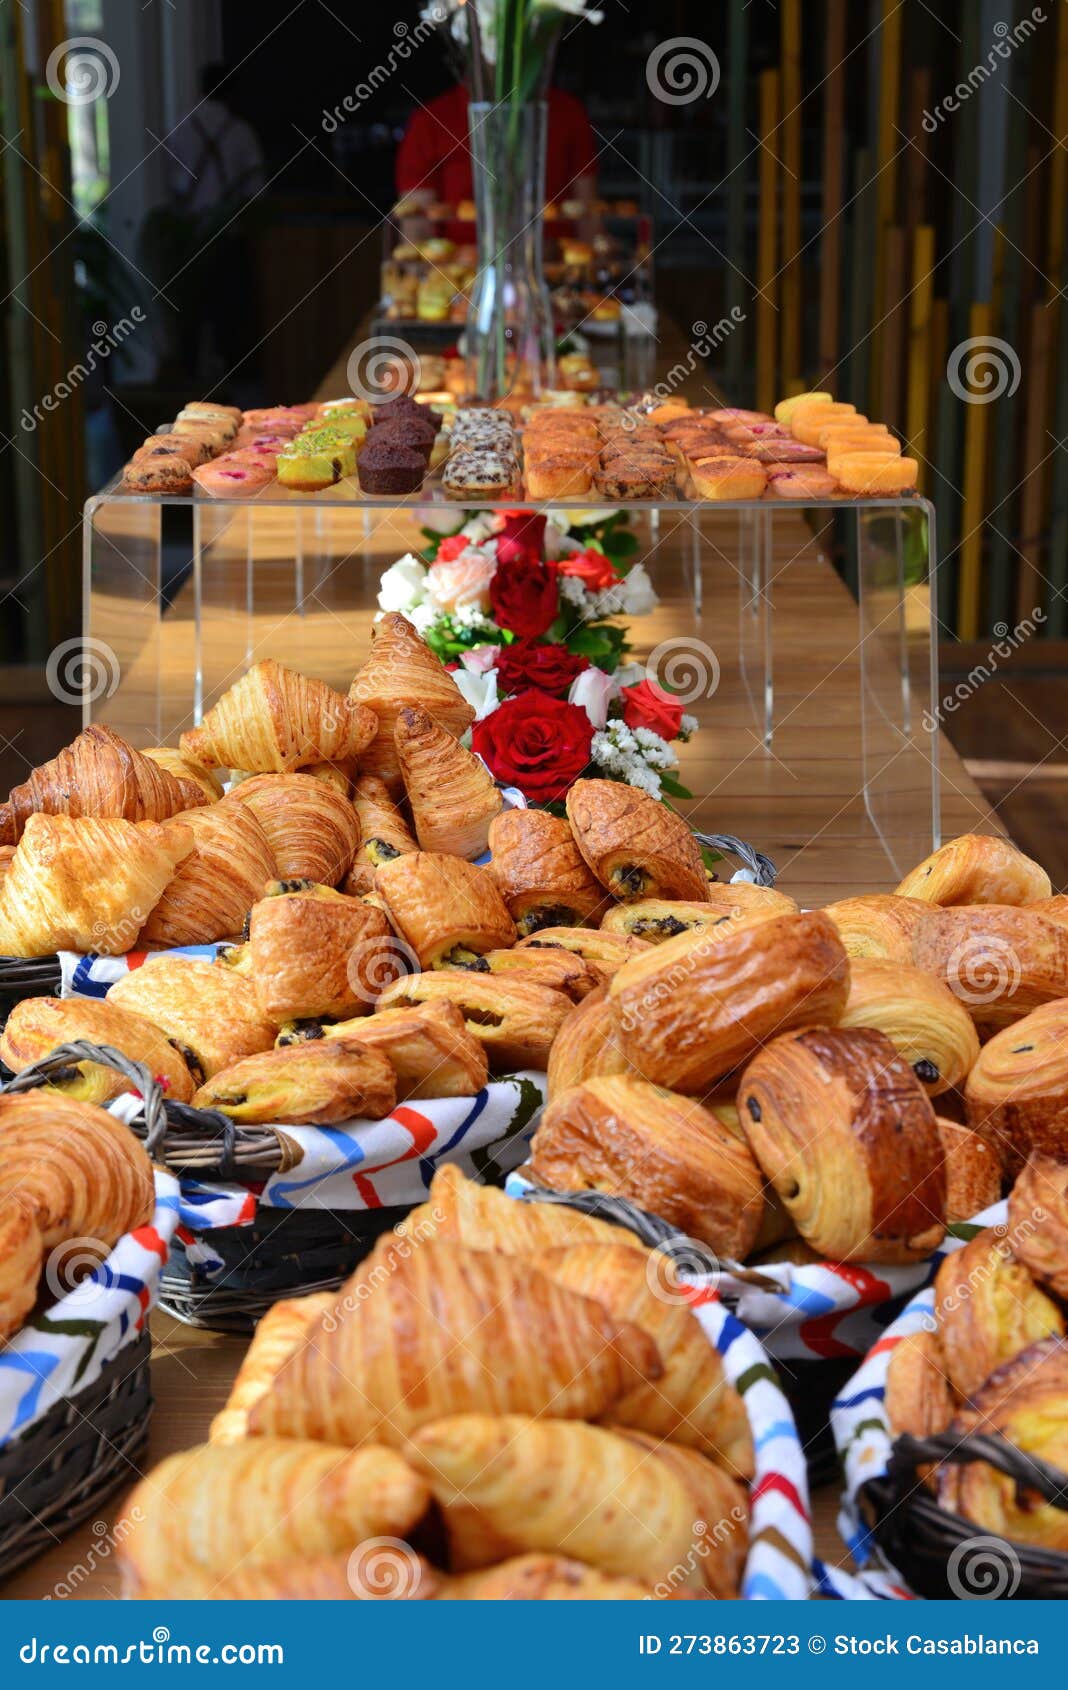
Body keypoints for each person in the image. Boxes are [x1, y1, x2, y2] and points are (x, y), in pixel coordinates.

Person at [396, 83, 597, 207]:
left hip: (548, 269)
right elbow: (417, 237)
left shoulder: (568, 112)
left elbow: (588, 218)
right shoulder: (429, 121)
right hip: (460, 274)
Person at [167, 64, 266, 214]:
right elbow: (256, 186)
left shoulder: (180, 128)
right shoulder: (242, 132)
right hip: (228, 223)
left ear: (201, 90)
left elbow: (171, 177)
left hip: (188, 227)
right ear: (230, 92)